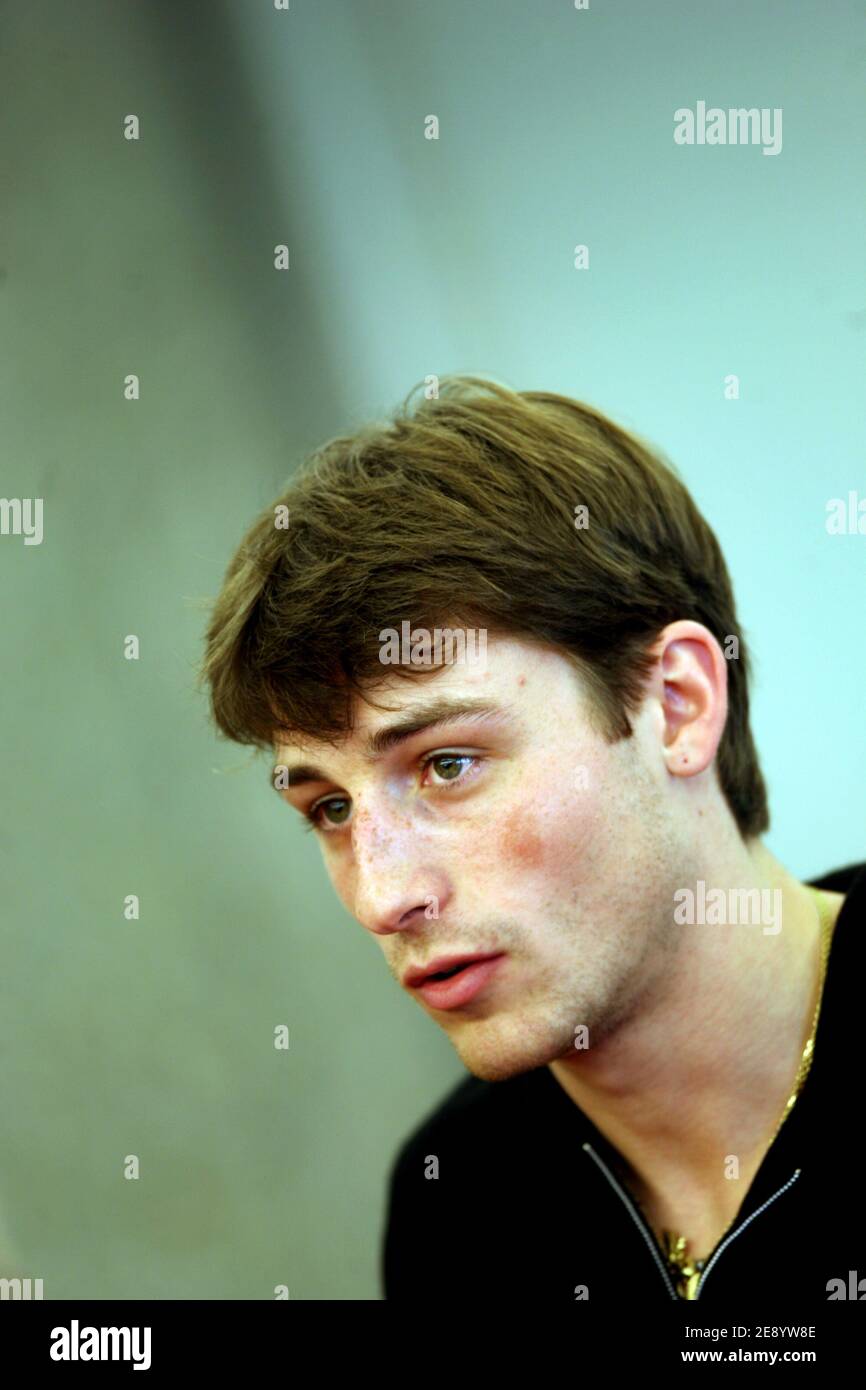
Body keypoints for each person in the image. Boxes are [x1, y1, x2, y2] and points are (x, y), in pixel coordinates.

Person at [201, 376, 862, 1302]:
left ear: (676, 705)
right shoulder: (458, 1212)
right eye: (332, 810)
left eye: (447, 764)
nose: (383, 898)